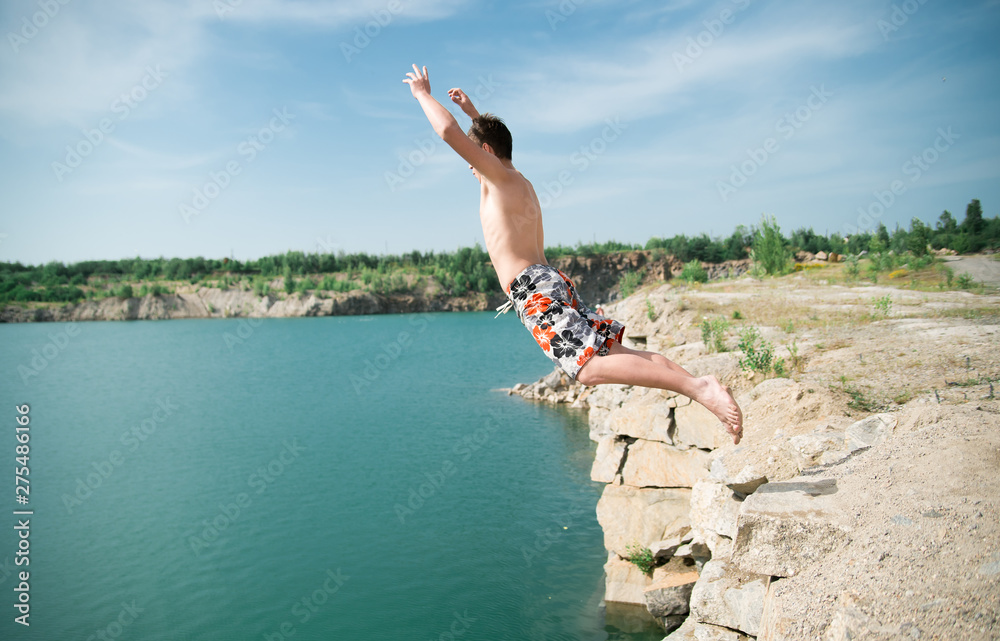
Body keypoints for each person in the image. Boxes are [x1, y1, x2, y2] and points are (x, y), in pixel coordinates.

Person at [402, 65, 743, 444]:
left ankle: (700, 389)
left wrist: (421, 94)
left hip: (534, 290)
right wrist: (474, 113)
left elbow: (448, 133)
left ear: (486, 154)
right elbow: (491, 141)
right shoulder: (520, 183)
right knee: (617, 351)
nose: (470, 168)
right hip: (550, 281)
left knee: (589, 369)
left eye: (473, 160)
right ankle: (700, 387)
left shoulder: (498, 178)